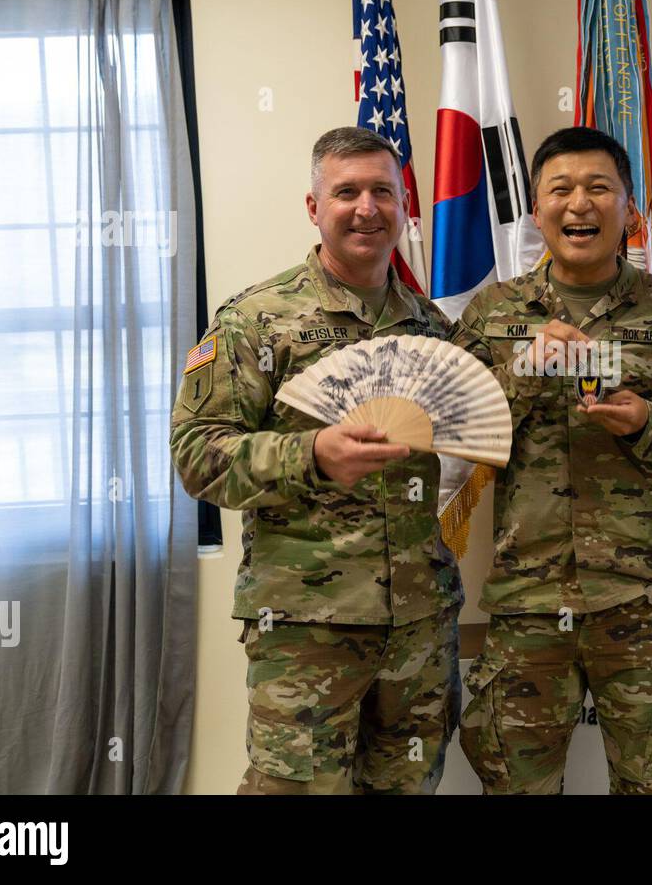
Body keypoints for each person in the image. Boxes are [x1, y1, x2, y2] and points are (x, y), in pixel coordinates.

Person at [448, 126, 652, 794]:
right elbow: (453, 439)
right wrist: (525, 371)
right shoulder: (493, 314)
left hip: (639, 601)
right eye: (561, 189)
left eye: (599, 188)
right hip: (527, 602)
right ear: (536, 211)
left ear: (630, 209)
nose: (579, 204)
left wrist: (647, 422)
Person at [169, 127, 460, 794]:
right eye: (346, 192)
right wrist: (311, 455)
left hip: (418, 622)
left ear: (404, 205)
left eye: (382, 191)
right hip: (305, 627)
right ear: (313, 207)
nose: (366, 208)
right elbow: (195, 456)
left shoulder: (433, 328)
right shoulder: (255, 322)